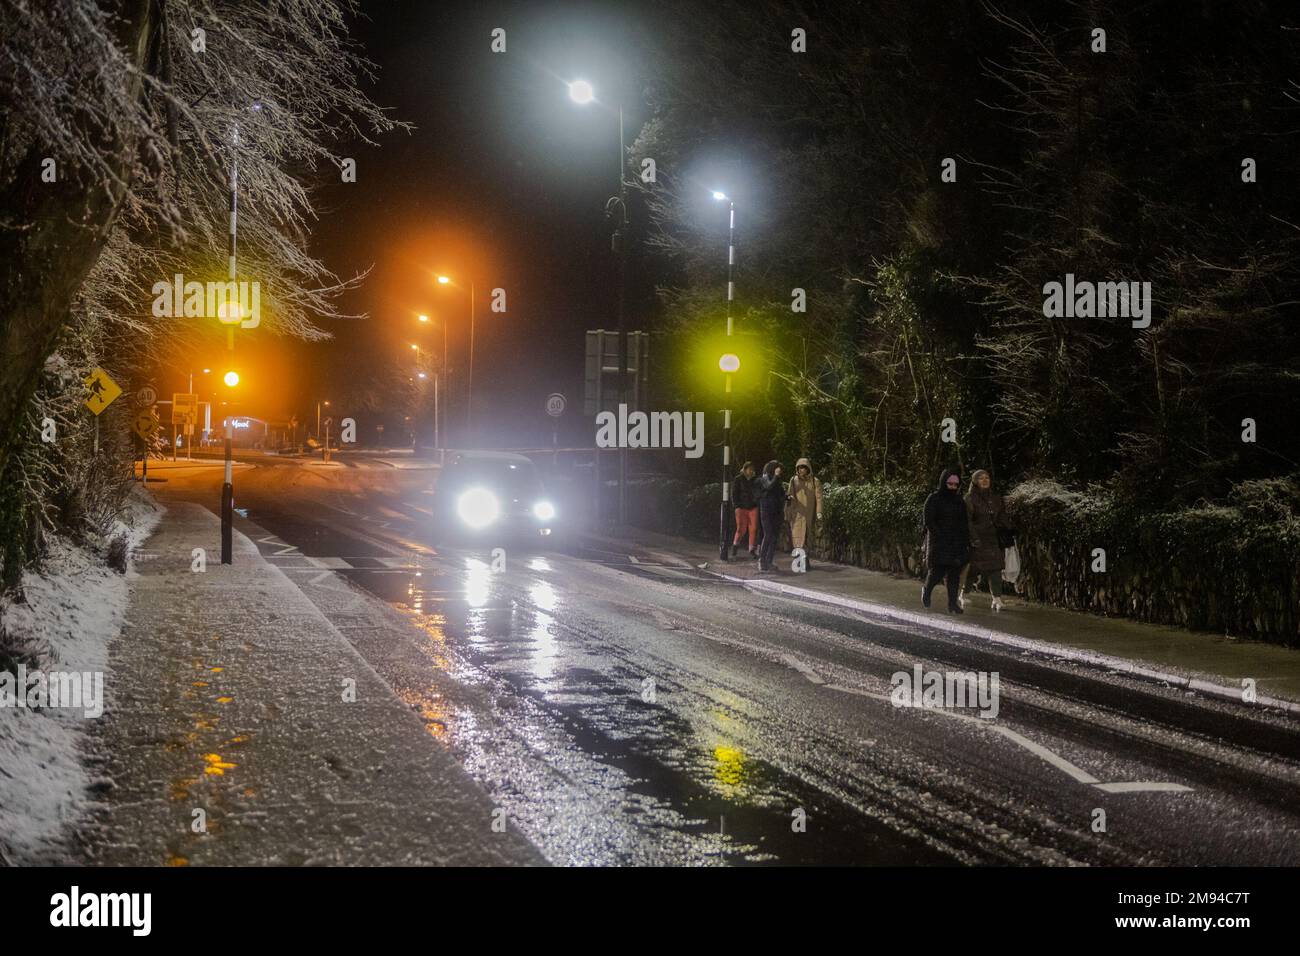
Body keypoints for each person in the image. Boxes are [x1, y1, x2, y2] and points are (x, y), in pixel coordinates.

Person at [922, 468, 969, 613]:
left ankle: (952, 604)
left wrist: (963, 539)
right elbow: (929, 520)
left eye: (956, 484)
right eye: (950, 484)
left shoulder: (959, 500)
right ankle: (927, 590)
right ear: (944, 482)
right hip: (939, 541)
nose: (953, 487)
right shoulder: (934, 498)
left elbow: (963, 521)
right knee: (937, 572)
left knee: (954, 575)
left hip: (956, 542)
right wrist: (939, 534)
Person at [962, 469, 1009, 612]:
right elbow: (967, 521)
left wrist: (1008, 530)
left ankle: (997, 599)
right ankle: (963, 594)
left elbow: (1002, 516)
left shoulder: (995, 498)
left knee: (995, 568)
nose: (984, 480)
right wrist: (973, 538)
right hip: (977, 540)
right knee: (973, 569)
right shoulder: (969, 499)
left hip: (993, 539)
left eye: (987, 477)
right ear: (975, 481)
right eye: (981, 478)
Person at [786, 457, 824, 570]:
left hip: (809, 514)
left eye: (804, 467)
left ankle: (805, 561)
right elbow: (789, 494)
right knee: (797, 538)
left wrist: (819, 512)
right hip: (797, 514)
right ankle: (799, 563)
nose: (802, 470)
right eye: (800, 467)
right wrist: (788, 512)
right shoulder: (794, 480)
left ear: (808, 469)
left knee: (807, 538)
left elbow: (819, 498)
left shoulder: (814, 481)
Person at [756, 460, 786, 572]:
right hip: (766, 511)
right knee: (768, 534)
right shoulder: (764, 478)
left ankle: (769, 561)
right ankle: (761, 560)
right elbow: (768, 487)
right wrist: (776, 476)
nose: (779, 472)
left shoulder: (777, 480)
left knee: (773, 537)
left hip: (776, 511)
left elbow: (780, 493)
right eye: (778, 469)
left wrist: (787, 497)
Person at [730, 461, 759, 558]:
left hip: (752, 506)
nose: (751, 471)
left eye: (752, 469)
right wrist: (736, 505)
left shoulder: (755, 480)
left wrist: (756, 501)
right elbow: (734, 492)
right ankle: (735, 545)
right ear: (745, 469)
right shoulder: (738, 479)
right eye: (749, 469)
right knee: (740, 529)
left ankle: (751, 549)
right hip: (741, 507)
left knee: (753, 528)